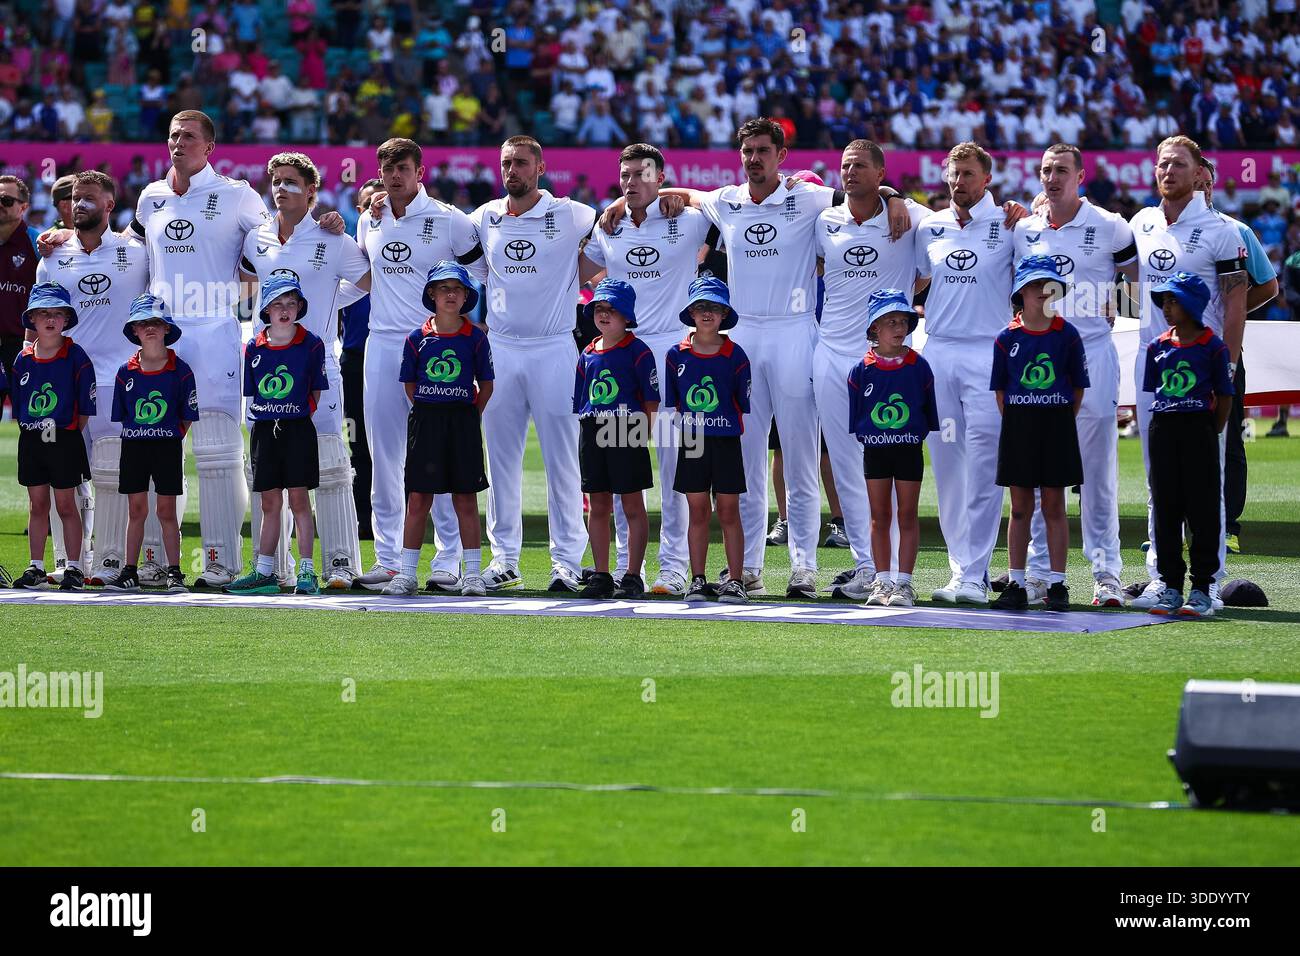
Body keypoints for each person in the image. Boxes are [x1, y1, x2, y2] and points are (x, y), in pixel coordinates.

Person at [577, 143, 713, 596]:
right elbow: (584, 269)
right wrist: (614, 207)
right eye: (625, 176)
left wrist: (681, 193)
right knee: (620, 464)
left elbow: (724, 203)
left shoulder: (687, 218)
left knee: (675, 463)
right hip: (622, 353)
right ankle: (621, 565)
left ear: (660, 177)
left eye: (641, 174)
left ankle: (672, 566)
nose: (631, 182)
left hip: (675, 353)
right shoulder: (609, 225)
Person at [463, 135, 597, 592]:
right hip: (500, 349)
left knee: (563, 461)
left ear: (540, 167)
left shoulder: (572, 213)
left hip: (555, 348)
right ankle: (505, 559)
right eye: (505, 163)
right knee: (501, 459)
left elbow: (618, 218)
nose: (511, 170)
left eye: (520, 162)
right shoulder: (485, 217)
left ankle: (567, 562)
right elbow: (456, 250)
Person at [238, 152, 371, 589]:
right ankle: (271, 568)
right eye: (275, 180)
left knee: (332, 468)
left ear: (312, 191)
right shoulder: (256, 237)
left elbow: (370, 281)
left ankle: (340, 564)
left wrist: (331, 303)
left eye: (292, 182)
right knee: (268, 476)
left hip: (318, 367)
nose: (281, 188)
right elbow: (243, 279)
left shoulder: (333, 238)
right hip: (269, 369)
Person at [1013, 144, 1137, 607]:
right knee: (1045, 473)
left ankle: (1106, 574)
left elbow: (1134, 279)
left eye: (1061, 170)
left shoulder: (1109, 225)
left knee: (1096, 473)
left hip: (1092, 357)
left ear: (1080, 176)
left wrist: (1120, 310)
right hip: (1038, 367)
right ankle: (1042, 573)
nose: (1052, 177)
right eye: (1046, 170)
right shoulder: (1024, 227)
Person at [355, 139, 480, 592]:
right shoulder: (371, 217)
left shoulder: (450, 220)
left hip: (436, 347)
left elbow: (480, 274)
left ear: (419, 171)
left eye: (402, 168)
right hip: (383, 343)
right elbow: (366, 275)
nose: (393, 176)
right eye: (386, 168)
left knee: (439, 452)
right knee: (383, 454)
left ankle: (447, 560)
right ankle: (388, 557)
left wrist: (462, 333)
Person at [1128, 137, 1247, 610]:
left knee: (1206, 481)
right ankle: (1162, 577)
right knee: (1159, 478)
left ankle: (1208, 581)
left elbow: (1236, 302)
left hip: (1203, 367)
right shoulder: (1141, 222)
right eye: (1161, 163)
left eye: (1178, 163)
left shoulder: (1222, 231)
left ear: (1201, 174)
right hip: (1152, 362)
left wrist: (1229, 366)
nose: (1168, 170)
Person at [815, 140, 930, 600]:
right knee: (845, 466)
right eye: (844, 165)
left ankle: (899, 577)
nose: (850, 172)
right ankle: (869, 567)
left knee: (889, 467)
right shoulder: (824, 219)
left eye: (860, 165)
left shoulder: (911, 217)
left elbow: (928, 269)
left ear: (881, 172)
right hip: (830, 353)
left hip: (885, 362)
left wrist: (897, 197)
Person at [35, 170, 150, 587]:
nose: (78, 204)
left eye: (89, 198)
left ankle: (110, 561)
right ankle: (69, 562)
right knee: (61, 477)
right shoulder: (52, 256)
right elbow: (37, 322)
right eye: (73, 198)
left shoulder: (137, 252)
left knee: (113, 475)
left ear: (108, 205)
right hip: (64, 382)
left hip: (119, 381)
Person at [915, 142, 1018, 605]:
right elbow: (914, 278)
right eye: (953, 174)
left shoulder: (1012, 223)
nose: (959, 182)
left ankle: (977, 572)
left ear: (987, 179)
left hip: (988, 354)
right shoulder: (930, 226)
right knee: (948, 469)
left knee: (983, 467)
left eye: (968, 174)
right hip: (937, 353)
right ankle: (961, 570)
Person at [989, 256, 1089, 612]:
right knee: (1019, 509)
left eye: (1050, 286)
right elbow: (1001, 393)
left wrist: (1056, 417)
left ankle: (1057, 584)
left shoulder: (1067, 334)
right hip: (1019, 425)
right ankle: (1016, 582)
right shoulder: (1006, 338)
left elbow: (1078, 389)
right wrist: (1023, 419)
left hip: (1056, 423)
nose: (1043, 293)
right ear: (1022, 292)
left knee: (1054, 506)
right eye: (1035, 286)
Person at [387, 262, 493, 597]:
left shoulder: (476, 337)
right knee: (418, 498)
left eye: (457, 289)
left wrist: (465, 414)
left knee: (465, 498)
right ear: (431, 294)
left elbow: (486, 386)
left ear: (466, 297)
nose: (450, 295)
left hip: (462, 421)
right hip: (426, 422)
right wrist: (431, 409)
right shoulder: (416, 338)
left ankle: (473, 575)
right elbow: (410, 386)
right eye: (443, 288)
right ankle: (406, 574)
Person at [226, 275, 328, 596]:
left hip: (297, 430)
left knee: (299, 499)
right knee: (270, 502)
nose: (284, 310)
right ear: (266, 310)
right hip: (265, 432)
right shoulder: (255, 346)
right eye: (277, 304)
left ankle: (307, 571)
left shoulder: (312, 344)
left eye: (290, 303)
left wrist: (294, 414)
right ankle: (265, 572)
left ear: (299, 307)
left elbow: (315, 392)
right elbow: (253, 392)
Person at [1141, 272, 1234, 618]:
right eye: (1164, 300)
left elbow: (1224, 397)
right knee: (1166, 510)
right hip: (1163, 431)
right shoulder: (1158, 347)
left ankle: (1201, 589)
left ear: (1193, 305)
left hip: (1199, 433)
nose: (1166, 307)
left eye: (1173, 300)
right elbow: (1155, 391)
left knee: (1203, 510)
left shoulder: (1213, 346)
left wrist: (1209, 431)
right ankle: (1170, 587)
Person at [847, 289, 938, 609]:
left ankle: (904, 583)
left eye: (902, 321)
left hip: (909, 451)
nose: (898, 327)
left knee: (907, 514)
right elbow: (857, 418)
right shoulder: (862, 370)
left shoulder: (919, 366)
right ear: (875, 328)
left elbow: (928, 412)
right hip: (876, 452)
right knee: (879, 515)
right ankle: (882, 580)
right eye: (890, 321)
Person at [664, 276, 752, 604]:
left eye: (714, 308)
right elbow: (675, 403)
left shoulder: (736, 355)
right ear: (690, 312)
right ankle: (697, 579)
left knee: (729, 511)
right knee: (697, 510)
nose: (707, 314)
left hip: (727, 441)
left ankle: (736, 580)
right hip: (693, 442)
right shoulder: (676, 355)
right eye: (701, 306)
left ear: (724, 315)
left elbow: (742, 401)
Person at [572, 278, 660, 599]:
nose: (604, 315)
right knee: (598, 505)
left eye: (612, 309)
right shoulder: (587, 353)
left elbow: (651, 400)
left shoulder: (638, 351)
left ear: (627, 316)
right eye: (599, 309)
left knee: (632, 505)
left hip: (627, 428)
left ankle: (633, 575)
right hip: (593, 430)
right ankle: (602, 574)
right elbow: (582, 401)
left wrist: (641, 434)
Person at [106, 295, 197, 592]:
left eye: (156, 322)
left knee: (167, 511)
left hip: (167, 447)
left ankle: (174, 572)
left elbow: (187, 417)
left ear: (167, 328)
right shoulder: (125, 372)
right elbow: (122, 416)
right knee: (136, 509)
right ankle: (129, 571)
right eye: (143, 323)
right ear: (134, 330)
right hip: (134, 447)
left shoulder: (180, 370)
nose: (150, 329)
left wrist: (165, 436)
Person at [8, 283, 94, 591]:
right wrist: (36, 433)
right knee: (37, 504)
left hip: (65, 438)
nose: (50, 319)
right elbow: (19, 408)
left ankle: (73, 567)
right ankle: (36, 567)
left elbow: (84, 410)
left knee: (66, 504)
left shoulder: (77, 357)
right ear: (31, 319)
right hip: (32, 441)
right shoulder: (23, 360)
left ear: (67, 319)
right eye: (43, 312)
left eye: (57, 313)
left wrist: (64, 436)